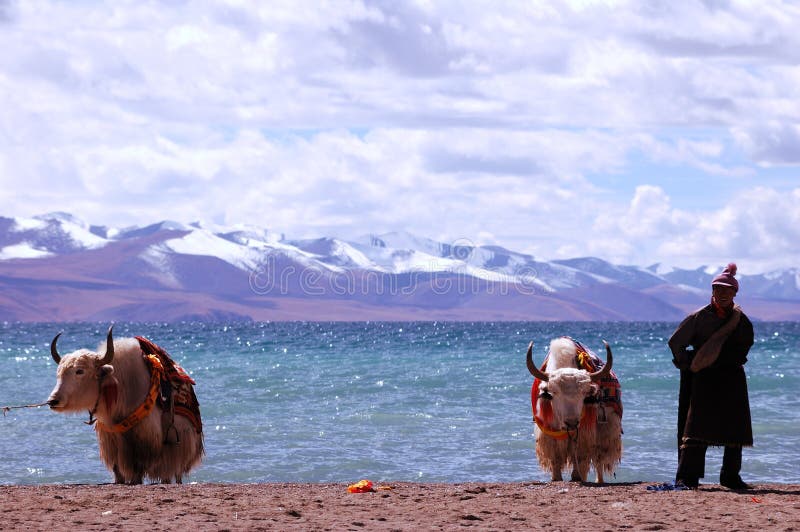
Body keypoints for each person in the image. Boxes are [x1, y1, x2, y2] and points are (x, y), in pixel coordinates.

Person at [668, 262, 754, 490]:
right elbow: (676, 343)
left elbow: (745, 347)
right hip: (704, 379)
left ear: (735, 293)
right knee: (696, 428)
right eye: (718, 289)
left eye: (728, 290)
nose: (723, 293)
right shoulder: (699, 318)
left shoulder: (742, 321)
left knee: (735, 427)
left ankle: (730, 476)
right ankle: (688, 477)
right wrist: (688, 364)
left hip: (731, 378)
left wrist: (725, 359)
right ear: (712, 291)